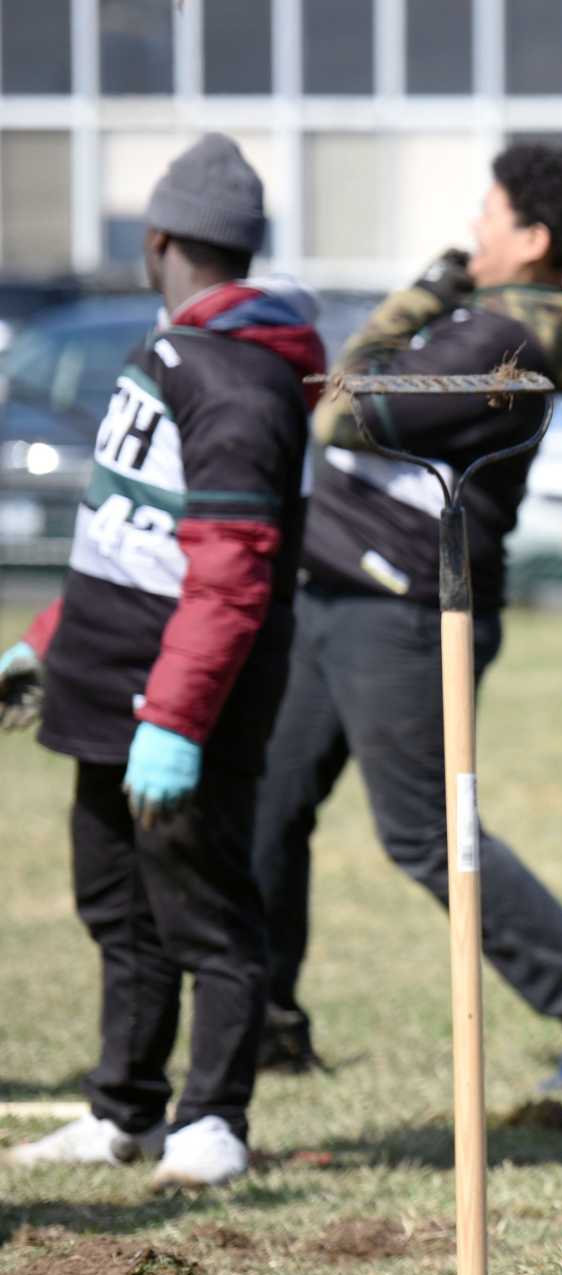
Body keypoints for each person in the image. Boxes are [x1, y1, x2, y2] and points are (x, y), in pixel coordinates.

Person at [250, 143, 562, 1088]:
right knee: (269, 804)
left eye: (489, 212)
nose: (470, 228)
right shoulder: (481, 318)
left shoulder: (508, 337)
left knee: (429, 832)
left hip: (402, 607)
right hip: (338, 588)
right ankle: (264, 1019)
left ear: (532, 237)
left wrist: (420, 294)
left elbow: (346, 409)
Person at [0, 135, 326, 1188]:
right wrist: (46, 645)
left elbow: (230, 576)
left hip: (182, 700)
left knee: (206, 908)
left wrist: (176, 720)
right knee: (115, 905)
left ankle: (211, 1122)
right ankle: (123, 1110)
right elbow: (122, 534)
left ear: (158, 239)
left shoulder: (240, 383)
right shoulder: (171, 349)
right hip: (106, 680)